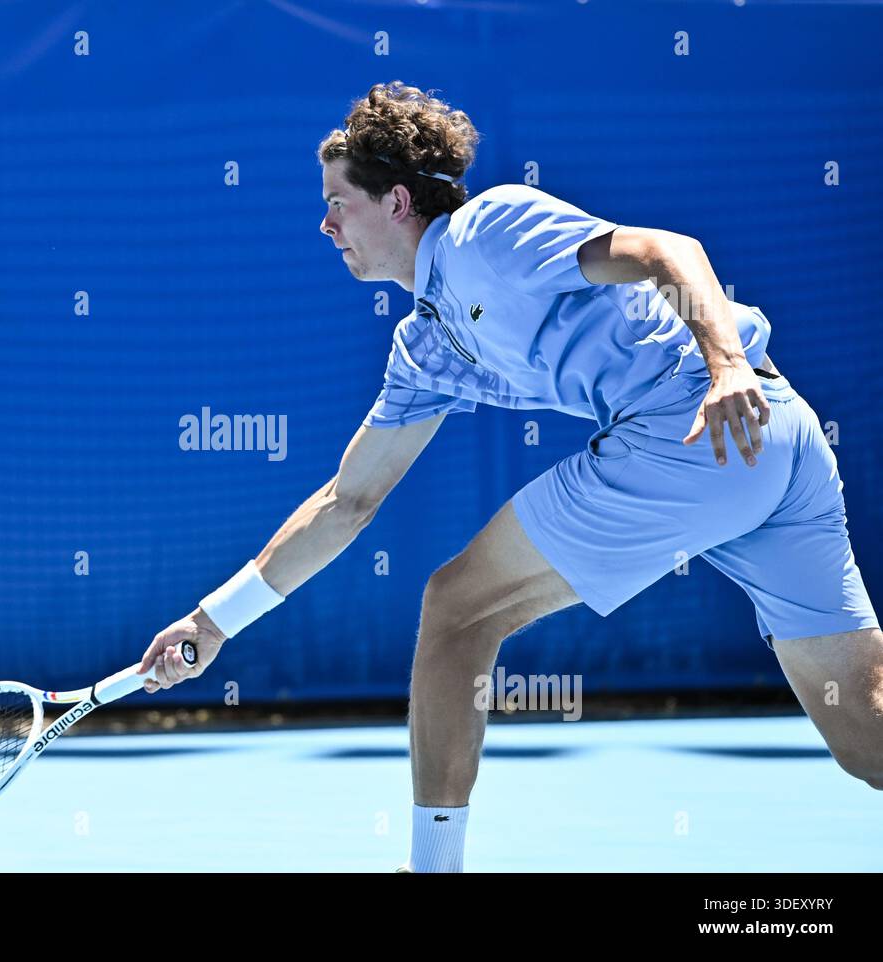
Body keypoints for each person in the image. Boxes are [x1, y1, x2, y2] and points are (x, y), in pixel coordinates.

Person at [135, 81, 882, 872]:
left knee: (456, 609)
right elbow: (345, 501)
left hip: (700, 419)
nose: (323, 223)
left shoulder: (486, 232)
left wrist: (724, 364)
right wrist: (212, 622)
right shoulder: (424, 351)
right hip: (775, 440)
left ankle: (433, 870)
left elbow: (670, 251)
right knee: (868, 740)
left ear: (395, 202)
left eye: (336, 201)